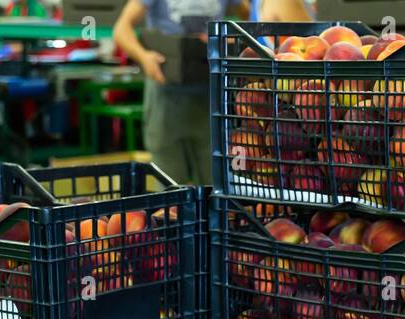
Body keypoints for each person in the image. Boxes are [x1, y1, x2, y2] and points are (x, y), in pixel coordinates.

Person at [113, 0, 310, 184]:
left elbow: (252, 22)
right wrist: (144, 57)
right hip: (166, 94)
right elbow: (121, 29)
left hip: (211, 96)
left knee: (214, 181)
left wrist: (228, 40)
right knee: (169, 182)